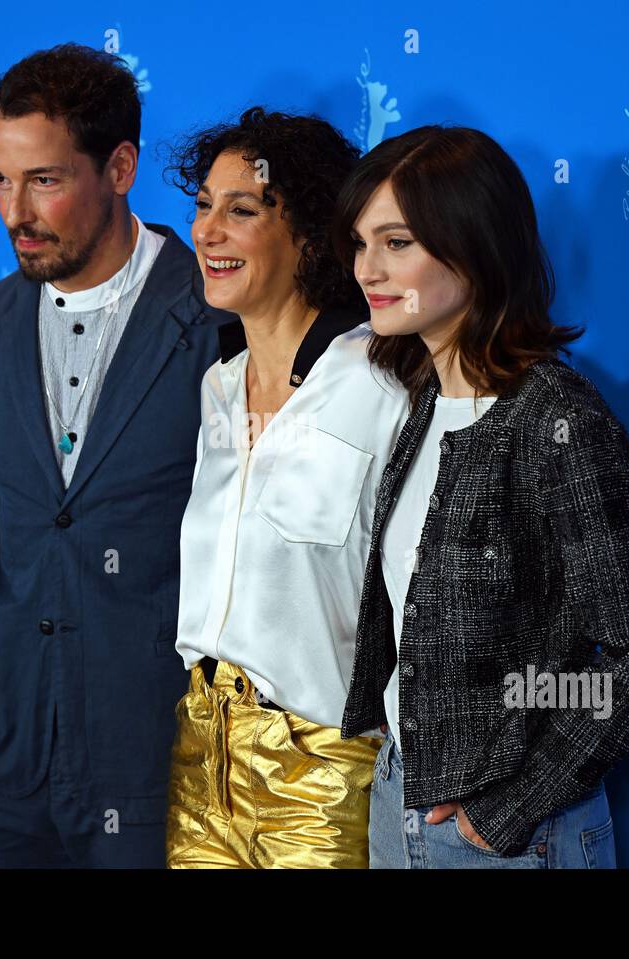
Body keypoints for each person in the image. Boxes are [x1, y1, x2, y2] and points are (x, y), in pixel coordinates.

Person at [332, 125, 629, 868]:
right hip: (398, 801)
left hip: (513, 839)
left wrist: (509, 809)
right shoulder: (420, 404)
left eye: (397, 242)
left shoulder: (556, 419)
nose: (368, 268)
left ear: (475, 245)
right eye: (361, 243)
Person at [0, 44, 234, 867]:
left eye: (44, 181)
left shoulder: (218, 317)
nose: (14, 212)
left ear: (121, 167)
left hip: (152, 756)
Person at [163, 107, 409, 868]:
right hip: (203, 756)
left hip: (323, 769)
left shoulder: (381, 380)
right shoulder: (219, 384)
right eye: (204, 205)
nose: (208, 231)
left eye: (242, 211)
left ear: (308, 235)